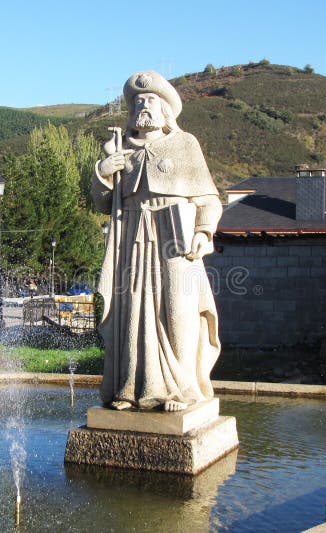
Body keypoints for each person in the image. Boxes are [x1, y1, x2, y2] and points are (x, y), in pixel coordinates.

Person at [92, 70, 223, 412]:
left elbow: (209, 198)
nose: (143, 106)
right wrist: (104, 171)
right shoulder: (122, 150)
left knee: (179, 312)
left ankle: (182, 390)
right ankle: (131, 388)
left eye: (150, 100)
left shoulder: (184, 144)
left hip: (174, 237)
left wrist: (203, 231)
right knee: (131, 312)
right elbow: (104, 204)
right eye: (137, 102)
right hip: (132, 236)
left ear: (165, 109)